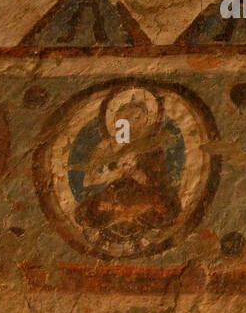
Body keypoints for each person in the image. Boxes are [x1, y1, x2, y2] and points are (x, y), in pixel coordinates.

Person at [75, 90, 181, 242]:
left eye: (137, 118)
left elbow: (160, 183)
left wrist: (141, 177)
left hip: (141, 198)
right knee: (96, 210)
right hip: (111, 198)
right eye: (125, 119)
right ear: (117, 121)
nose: (131, 124)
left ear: (145, 121)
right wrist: (113, 173)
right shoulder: (106, 146)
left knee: (162, 210)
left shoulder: (152, 148)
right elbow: (90, 180)